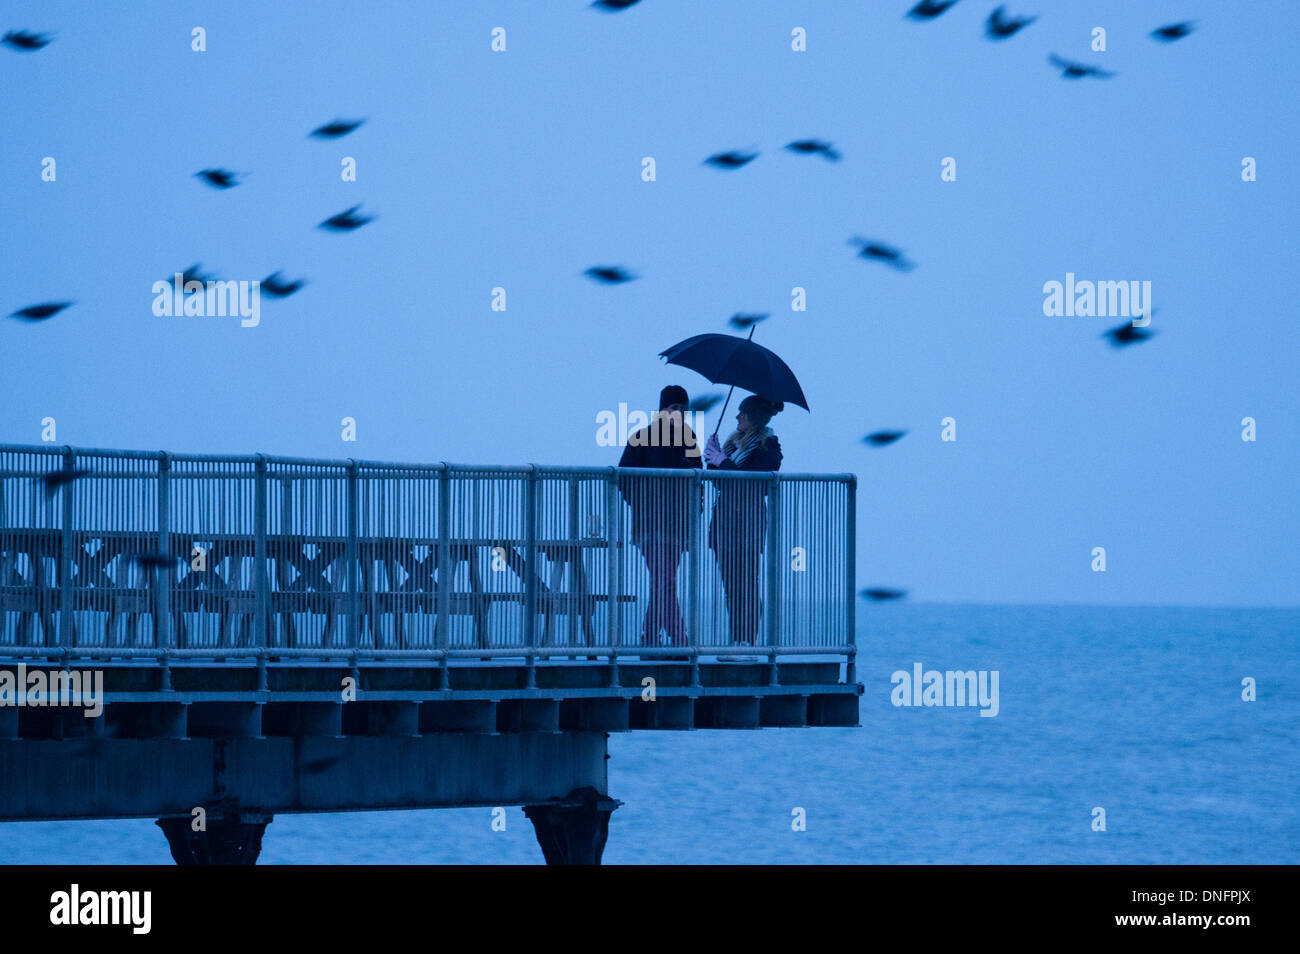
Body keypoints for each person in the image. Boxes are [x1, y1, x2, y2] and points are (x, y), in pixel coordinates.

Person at [617, 385, 701, 650]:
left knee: (663, 582)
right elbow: (624, 478)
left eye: (683, 409)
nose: (679, 414)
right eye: (674, 408)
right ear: (662, 410)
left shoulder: (690, 439)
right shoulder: (641, 437)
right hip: (650, 525)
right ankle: (679, 640)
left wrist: (691, 507)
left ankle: (650, 637)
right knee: (665, 580)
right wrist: (644, 504)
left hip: (677, 525)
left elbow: (697, 479)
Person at [703, 394, 784, 652]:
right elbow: (722, 482)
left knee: (746, 583)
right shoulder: (733, 445)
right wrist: (714, 458)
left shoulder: (768, 447)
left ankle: (746, 641)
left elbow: (752, 482)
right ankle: (737, 639)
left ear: (753, 418)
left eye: (742, 413)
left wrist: (722, 462)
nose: (737, 417)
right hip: (726, 523)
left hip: (748, 524)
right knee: (731, 585)